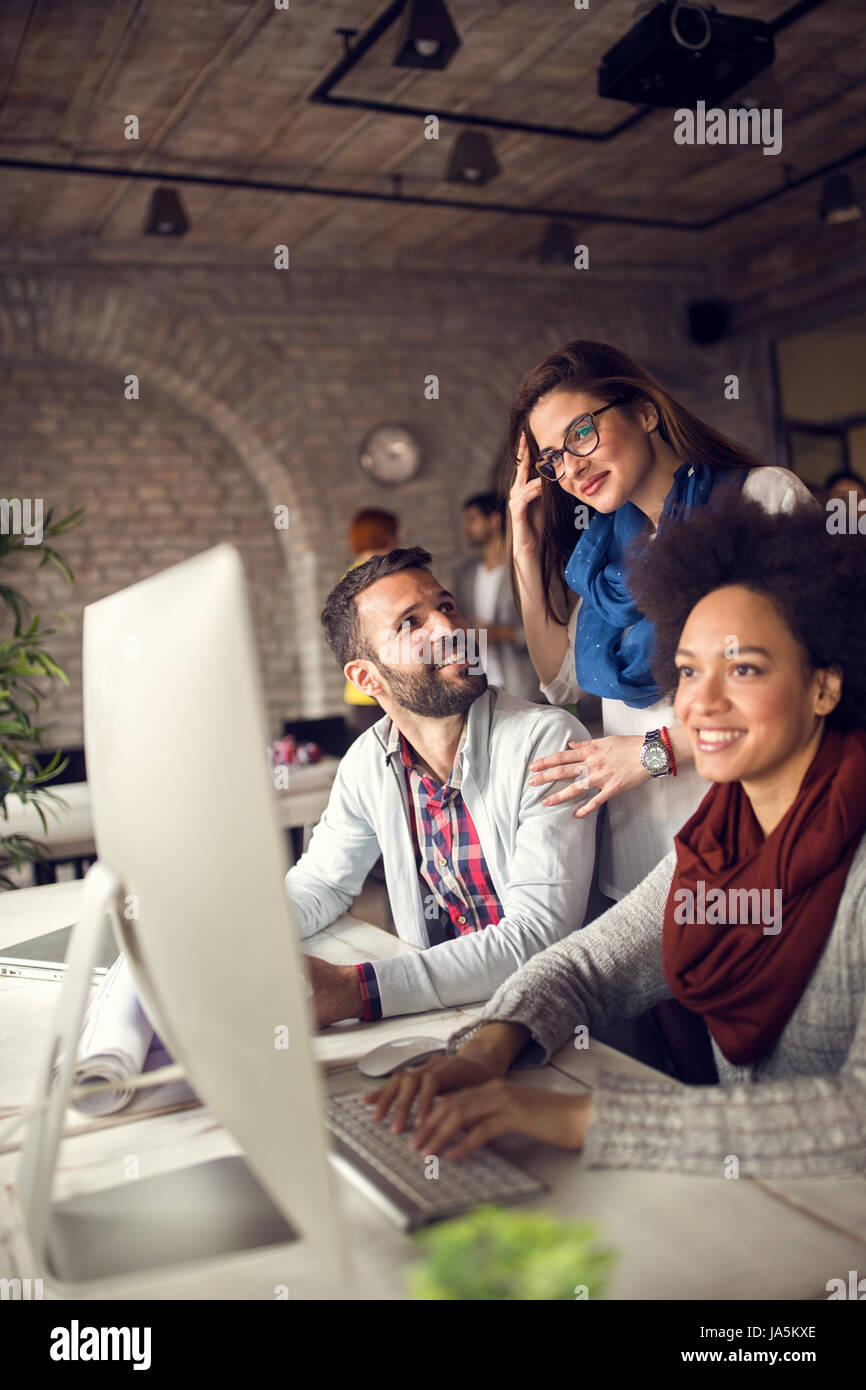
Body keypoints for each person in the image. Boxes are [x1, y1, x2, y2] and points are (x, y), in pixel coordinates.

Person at [367, 494, 866, 1178]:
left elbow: (855, 1120)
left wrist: (577, 1118)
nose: (699, 703)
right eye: (688, 670)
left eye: (743, 668)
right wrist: (484, 1052)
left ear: (824, 687)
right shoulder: (723, 840)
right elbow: (587, 965)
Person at [288, 547, 596, 1026]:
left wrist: (358, 991)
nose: (451, 631)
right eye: (411, 623)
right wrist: (252, 939)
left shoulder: (545, 739)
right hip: (441, 1017)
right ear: (366, 677)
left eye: (446, 607)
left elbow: (538, 937)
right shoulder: (368, 761)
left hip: (557, 1022)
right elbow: (322, 882)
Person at [452, 493, 540, 702]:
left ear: (494, 520)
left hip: (524, 686)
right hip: (478, 687)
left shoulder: (524, 571)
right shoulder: (465, 574)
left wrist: (500, 634)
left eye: (473, 520)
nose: (466, 528)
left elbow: (552, 631)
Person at [342, 509, 399, 738]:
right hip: (381, 685)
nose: (397, 539)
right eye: (393, 532)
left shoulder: (353, 574)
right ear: (381, 535)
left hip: (365, 688)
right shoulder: (376, 576)